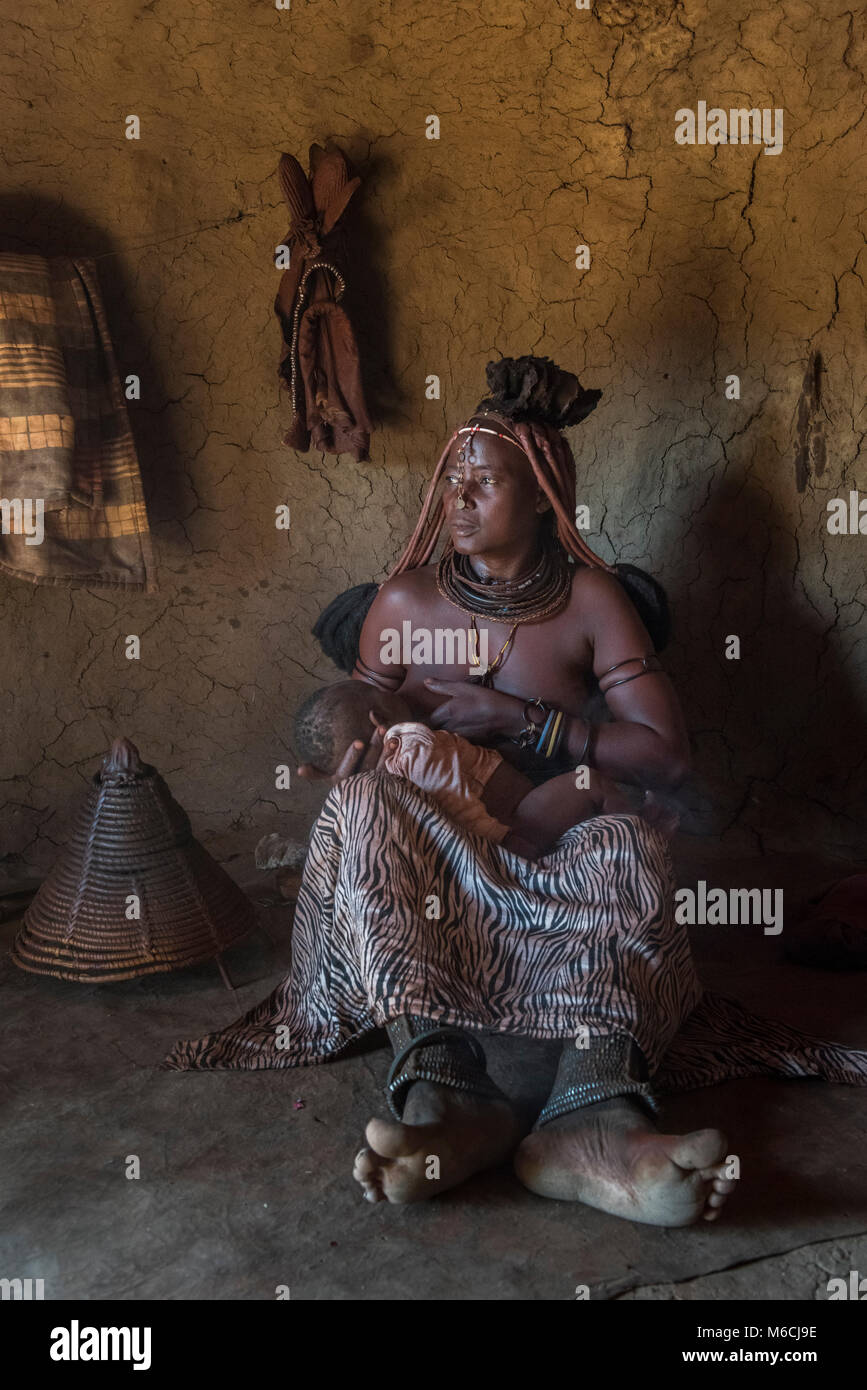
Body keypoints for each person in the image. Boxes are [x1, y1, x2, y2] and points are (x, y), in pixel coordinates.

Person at [166, 355, 867, 1229]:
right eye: (449, 482)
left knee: (631, 841)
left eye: (483, 483)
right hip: (434, 859)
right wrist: (351, 756)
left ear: (541, 496)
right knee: (361, 811)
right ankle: (445, 1093)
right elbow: (354, 714)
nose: (457, 501)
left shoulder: (589, 601)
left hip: (557, 845)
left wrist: (525, 724)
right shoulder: (401, 602)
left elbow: (667, 759)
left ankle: (591, 1115)